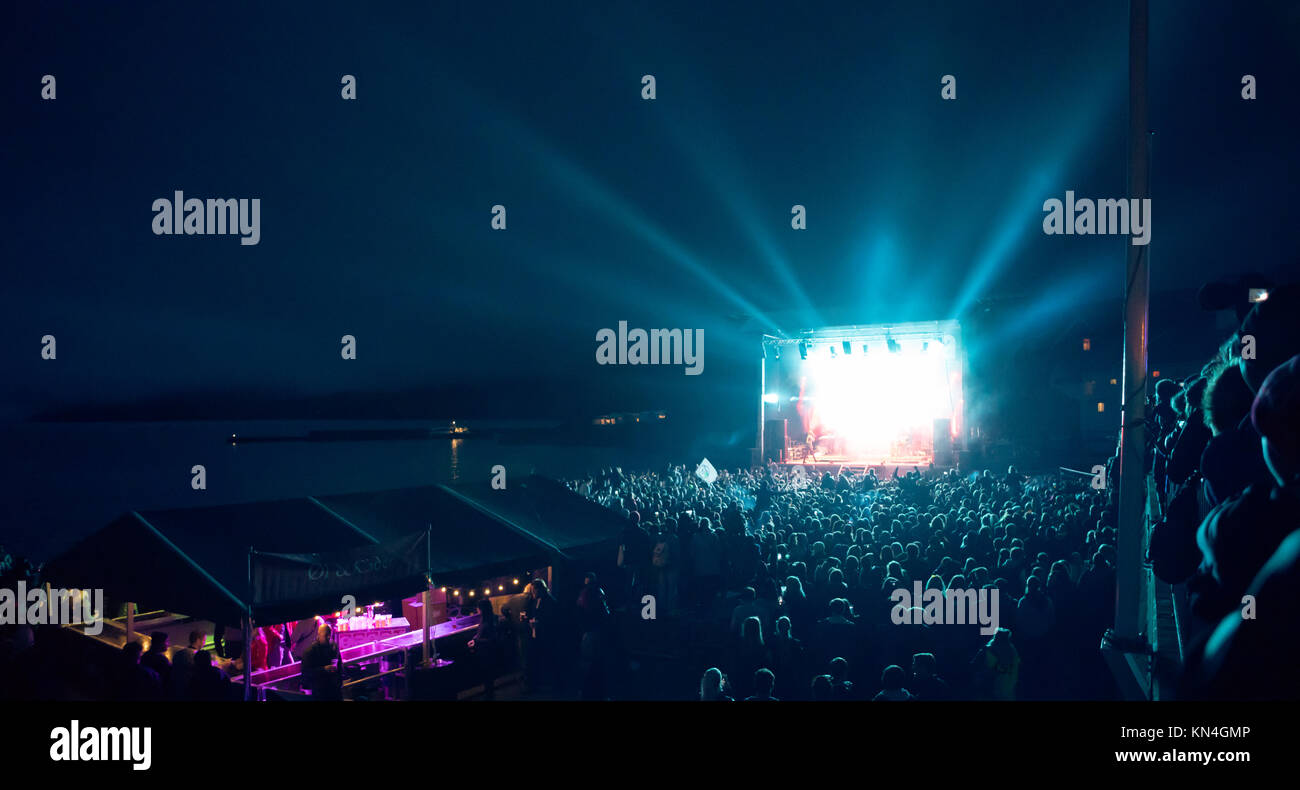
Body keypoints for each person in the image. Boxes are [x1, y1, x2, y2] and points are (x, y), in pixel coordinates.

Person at [467, 598, 499, 700]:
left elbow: (492, 639)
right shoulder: (486, 618)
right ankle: (489, 694)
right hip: (485, 651)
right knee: (487, 675)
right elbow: (480, 634)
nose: (477, 609)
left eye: (478, 607)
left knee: (488, 674)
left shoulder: (489, 621)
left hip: (487, 652)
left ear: (482, 609)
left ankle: (489, 696)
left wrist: (476, 641)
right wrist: (474, 639)